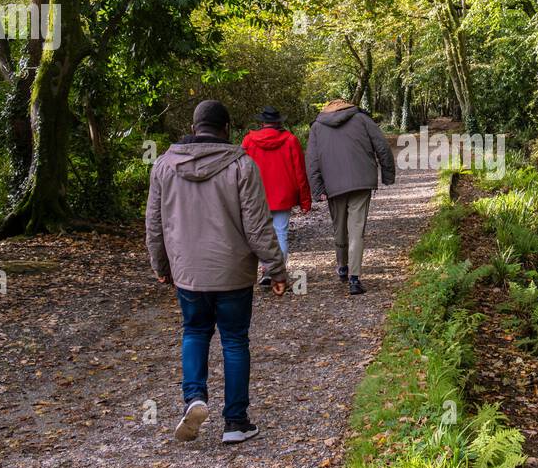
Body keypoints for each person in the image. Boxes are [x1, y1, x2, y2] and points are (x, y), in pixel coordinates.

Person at [146, 99, 287, 445]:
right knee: (235, 341)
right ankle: (236, 422)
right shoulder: (242, 166)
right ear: (227, 129)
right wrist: (276, 268)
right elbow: (257, 226)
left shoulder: (163, 166)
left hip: (188, 273)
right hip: (233, 272)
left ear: (195, 128)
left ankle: (194, 398)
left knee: (194, 331)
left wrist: (160, 264)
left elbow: (154, 223)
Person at [305, 98, 396, 295]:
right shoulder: (362, 119)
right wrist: (388, 175)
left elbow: (312, 160)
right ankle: (354, 278)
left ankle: (342, 267)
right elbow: (382, 146)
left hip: (333, 184)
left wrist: (318, 189)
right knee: (356, 229)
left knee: (339, 227)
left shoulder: (317, 127)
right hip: (361, 181)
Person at [240, 106, 311, 287]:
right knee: (281, 234)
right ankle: (278, 274)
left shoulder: (249, 141)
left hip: (255, 195)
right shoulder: (290, 140)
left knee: (261, 235)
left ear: (262, 122)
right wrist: (305, 201)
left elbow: (239, 170)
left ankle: (266, 271)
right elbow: (300, 172)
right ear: (279, 122)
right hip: (283, 195)